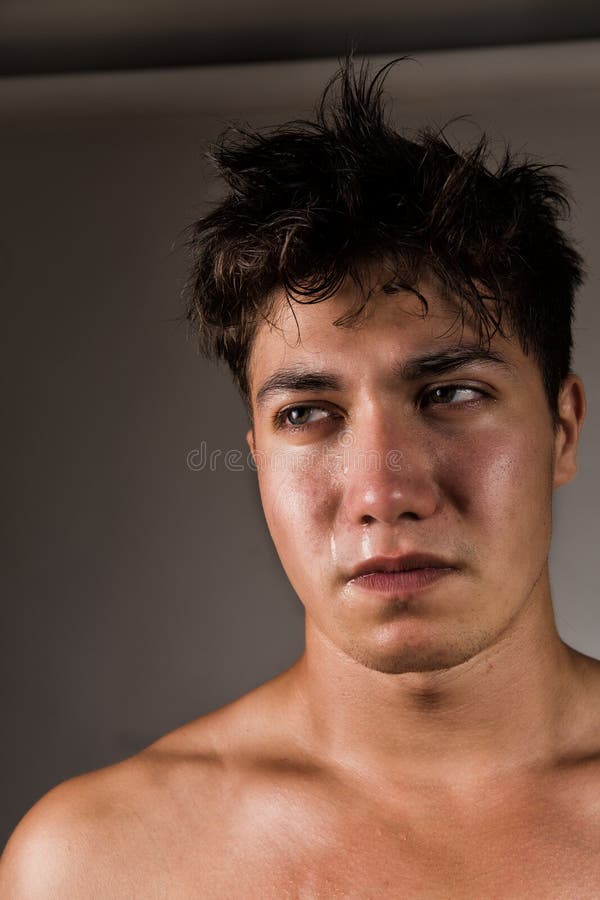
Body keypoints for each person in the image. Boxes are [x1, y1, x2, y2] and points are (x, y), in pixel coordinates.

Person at [1, 57, 598, 898]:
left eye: (451, 394)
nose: (382, 495)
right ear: (256, 458)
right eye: (308, 413)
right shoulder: (100, 865)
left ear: (563, 429)